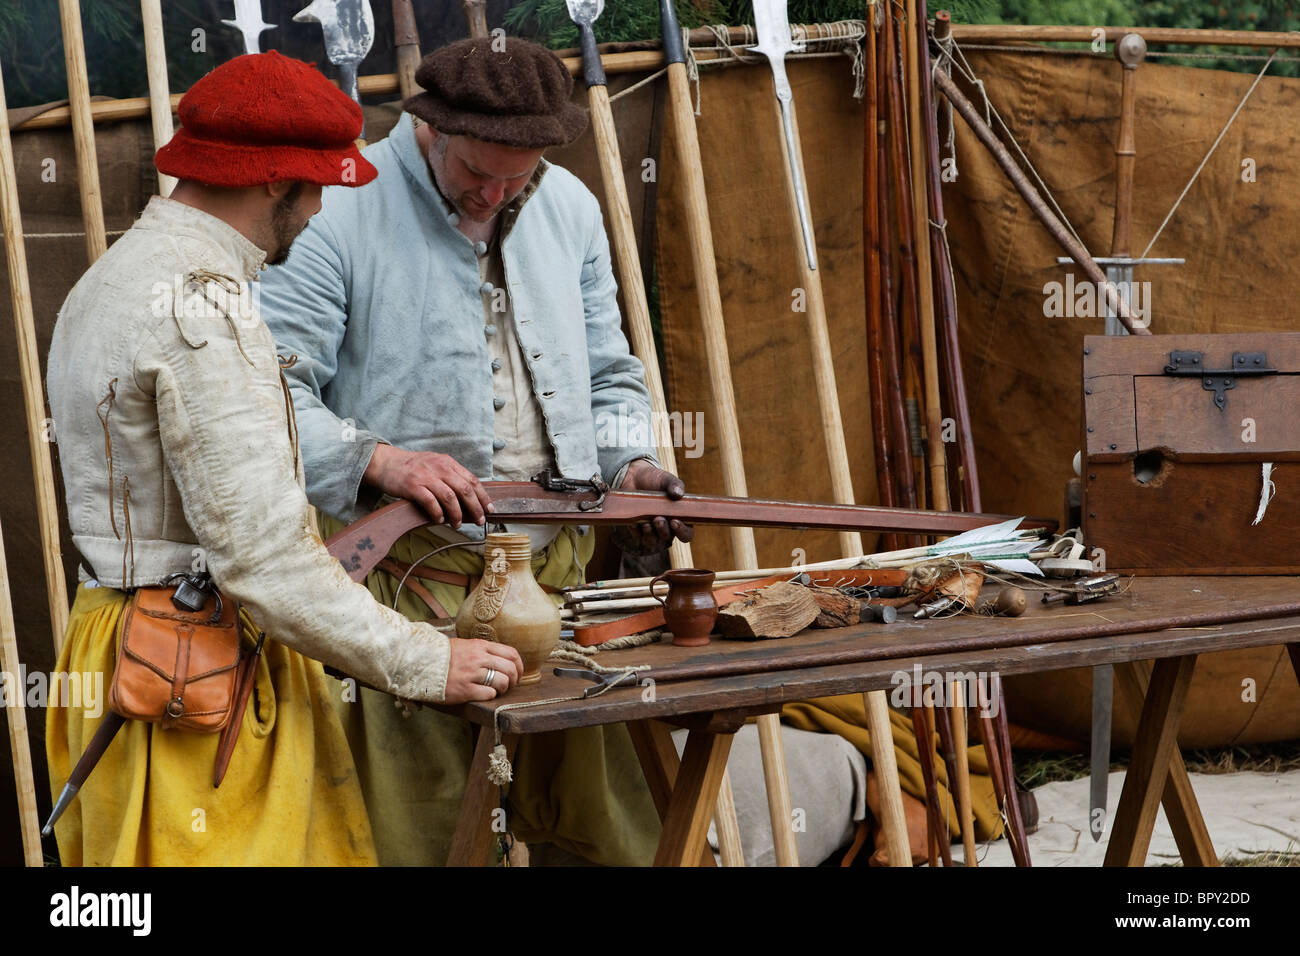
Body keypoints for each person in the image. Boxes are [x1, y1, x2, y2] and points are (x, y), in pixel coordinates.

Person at [44, 50, 522, 867]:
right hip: (186, 679)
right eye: (317, 186)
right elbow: (262, 560)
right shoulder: (204, 305)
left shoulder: (117, 277)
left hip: (129, 650)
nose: (321, 207)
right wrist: (426, 659)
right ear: (275, 181)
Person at [259, 37, 689, 866]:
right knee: (418, 843)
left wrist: (628, 463)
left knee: (620, 836)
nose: (493, 194)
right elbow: (271, 399)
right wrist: (381, 460)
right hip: (401, 594)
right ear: (433, 130)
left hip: (556, 591)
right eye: (474, 176)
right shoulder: (337, 210)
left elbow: (610, 374)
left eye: (515, 178)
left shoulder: (569, 208)